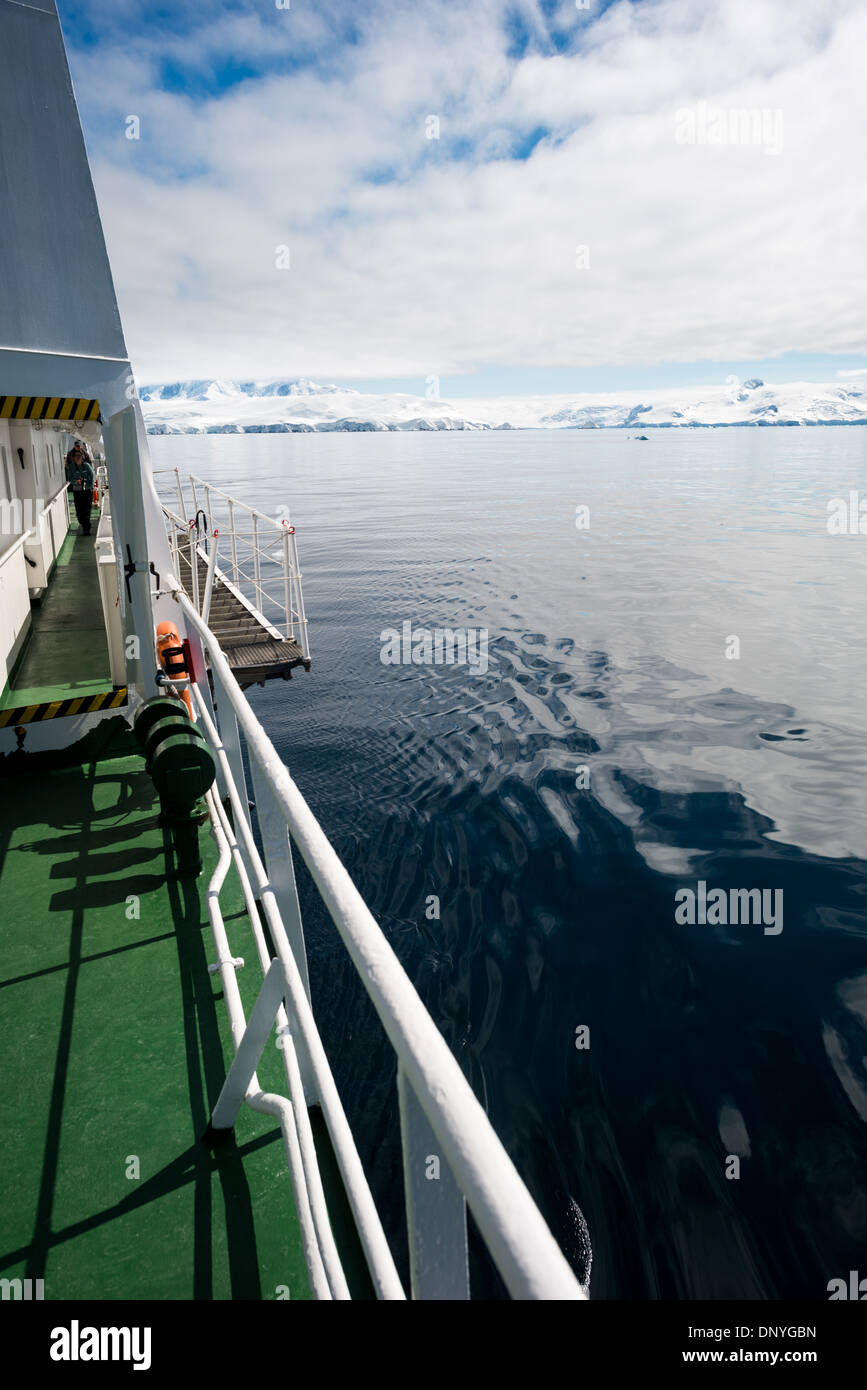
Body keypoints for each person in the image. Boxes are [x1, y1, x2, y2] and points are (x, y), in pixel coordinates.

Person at [65, 440, 95, 535]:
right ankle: (83, 524)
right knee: (79, 511)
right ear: (73, 458)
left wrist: (91, 486)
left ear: (82, 457)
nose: (78, 458)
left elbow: (92, 475)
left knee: (87, 509)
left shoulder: (86, 466)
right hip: (77, 491)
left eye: (79, 456)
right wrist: (75, 481)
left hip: (87, 490)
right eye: (76, 456)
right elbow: (69, 478)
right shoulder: (71, 467)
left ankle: (86, 529)